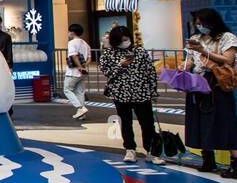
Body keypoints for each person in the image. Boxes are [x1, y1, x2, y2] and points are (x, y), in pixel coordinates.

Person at [184, 7, 237, 178]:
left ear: (213, 22)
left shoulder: (227, 37)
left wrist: (203, 51)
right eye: (198, 24)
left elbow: (228, 59)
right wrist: (184, 68)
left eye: (203, 23)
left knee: (227, 122)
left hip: (217, 84)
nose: (200, 27)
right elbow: (189, 60)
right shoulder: (196, 38)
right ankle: (208, 159)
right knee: (201, 121)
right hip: (197, 83)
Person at [99, 25, 164, 164]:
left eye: (127, 39)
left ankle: (151, 151)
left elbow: (150, 72)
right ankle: (130, 149)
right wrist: (120, 65)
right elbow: (107, 73)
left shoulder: (140, 51)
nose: (125, 42)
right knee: (126, 123)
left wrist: (153, 91)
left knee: (147, 123)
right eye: (121, 40)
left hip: (142, 93)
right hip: (121, 94)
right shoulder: (108, 54)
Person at [63, 23, 91, 119]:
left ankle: (80, 108)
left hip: (73, 72)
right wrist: (84, 66)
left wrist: (79, 66)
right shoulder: (85, 43)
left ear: (73, 32)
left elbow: (74, 55)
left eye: (69, 31)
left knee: (67, 89)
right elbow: (89, 58)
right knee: (80, 92)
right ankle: (82, 114)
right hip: (83, 72)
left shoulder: (72, 43)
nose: (68, 33)